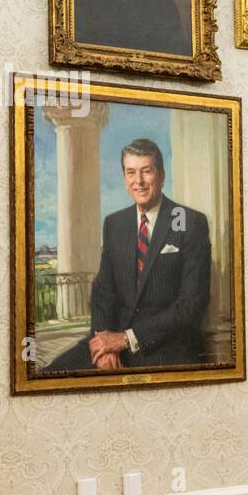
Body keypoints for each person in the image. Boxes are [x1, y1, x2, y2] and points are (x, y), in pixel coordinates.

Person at [45, 139, 210, 371]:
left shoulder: (190, 222)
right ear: (124, 179)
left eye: (146, 171)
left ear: (161, 175)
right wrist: (105, 343)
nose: (139, 181)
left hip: (163, 346)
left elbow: (191, 305)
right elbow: (103, 292)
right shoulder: (115, 223)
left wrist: (126, 339)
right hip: (112, 342)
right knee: (47, 376)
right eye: (131, 172)